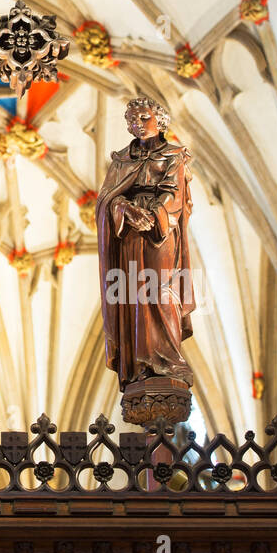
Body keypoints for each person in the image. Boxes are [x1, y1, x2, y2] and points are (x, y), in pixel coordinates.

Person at [95, 97, 194, 391]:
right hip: (129, 236)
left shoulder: (173, 156)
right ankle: (138, 363)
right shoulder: (122, 160)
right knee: (133, 296)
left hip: (159, 235)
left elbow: (175, 194)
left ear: (159, 119)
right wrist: (122, 209)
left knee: (161, 292)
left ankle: (167, 359)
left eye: (144, 117)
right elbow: (105, 200)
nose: (137, 124)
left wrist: (153, 216)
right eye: (132, 120)